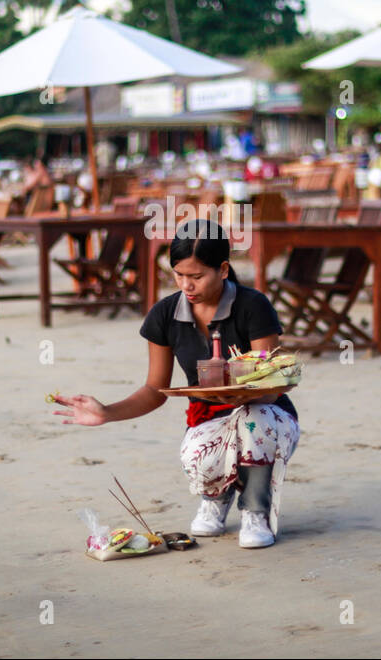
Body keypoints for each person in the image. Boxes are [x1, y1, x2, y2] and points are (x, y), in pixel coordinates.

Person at [51, 219, 300, 549]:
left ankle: (255, 510)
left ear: (223, 269)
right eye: (179, 275)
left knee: (254, 421)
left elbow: (271, 381)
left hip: (268, 414)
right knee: (196, 452)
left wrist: (247, 392)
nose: (186, 285)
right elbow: (155, 390)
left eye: (196, 276)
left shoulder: (253, 306)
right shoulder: (164, 314)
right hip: (209, 417)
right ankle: (215, 497)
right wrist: (107, 412)